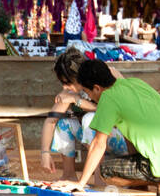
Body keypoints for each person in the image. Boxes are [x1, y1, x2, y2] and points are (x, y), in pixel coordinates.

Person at [53, 59, 160, 196]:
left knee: (106, 171)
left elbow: (98, 144)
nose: (89, 96)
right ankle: (149, 185)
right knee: (132, 151)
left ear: (97, 88)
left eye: (88, 92)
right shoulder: (132, 83)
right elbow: (130, 138)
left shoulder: (107, 99)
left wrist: (81, 183)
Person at [38, 48, 128, 179]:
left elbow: (118, 112)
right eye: (62, 83)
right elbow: (51, 120)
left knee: (90, 120)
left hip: (124, 140)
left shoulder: (107, 75)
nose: (64, 87)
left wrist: (79, 101)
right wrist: (45, 152)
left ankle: (99, 177)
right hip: (101, 142)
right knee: (64, 122)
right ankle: (69, 174)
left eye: (68, 82)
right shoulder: (71, 91)